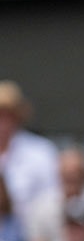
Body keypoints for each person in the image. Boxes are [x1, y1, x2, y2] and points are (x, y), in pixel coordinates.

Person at [0, 80, 60, 229]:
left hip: (31, 236)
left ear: (18, 117)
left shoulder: (41, 152)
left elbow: (53, 202)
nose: (2, 122)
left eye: (8, 116)